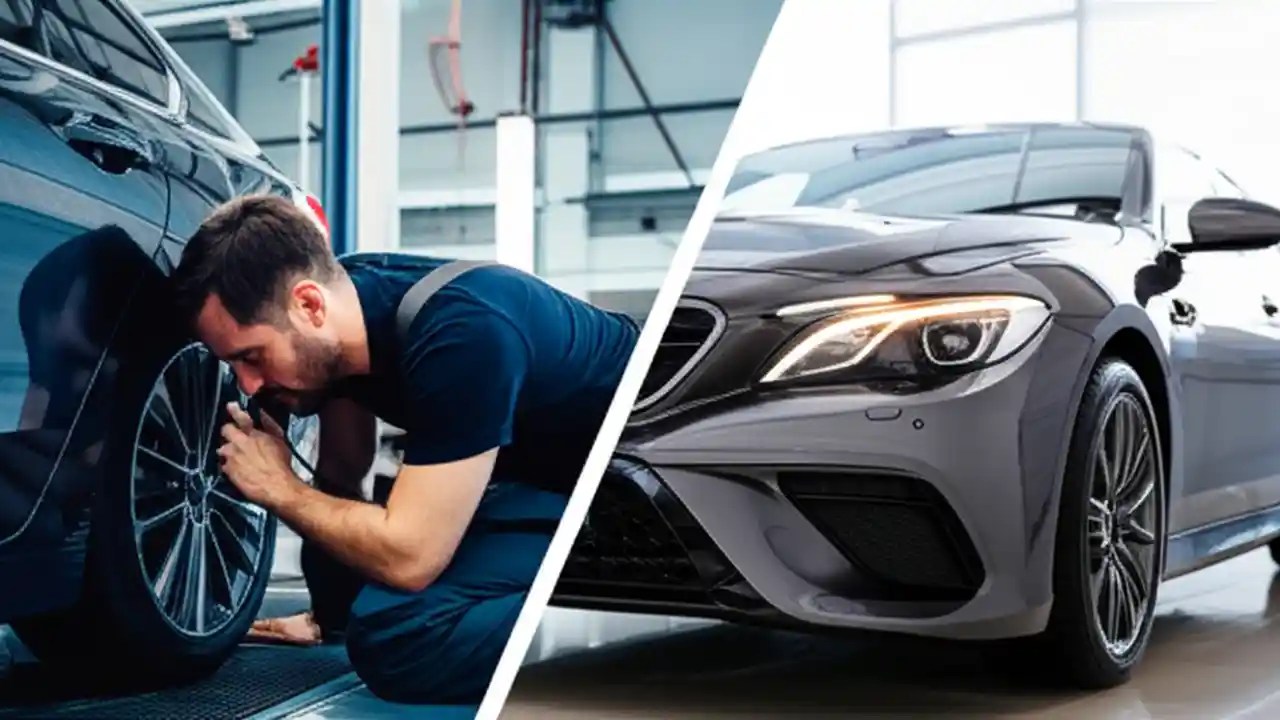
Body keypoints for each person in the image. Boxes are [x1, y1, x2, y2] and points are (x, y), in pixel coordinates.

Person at [170, 194, 639, 704]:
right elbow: (343, 475)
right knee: (372, 618)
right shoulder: (340, 317)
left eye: (252, 356)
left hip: (624, 491)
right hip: (535, 479)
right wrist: (330, 617)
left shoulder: (461, 335)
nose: (248, 383)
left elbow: (412, 556)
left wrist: (280, 489)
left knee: (402, 636)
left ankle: (625, 624)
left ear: (308, 305)